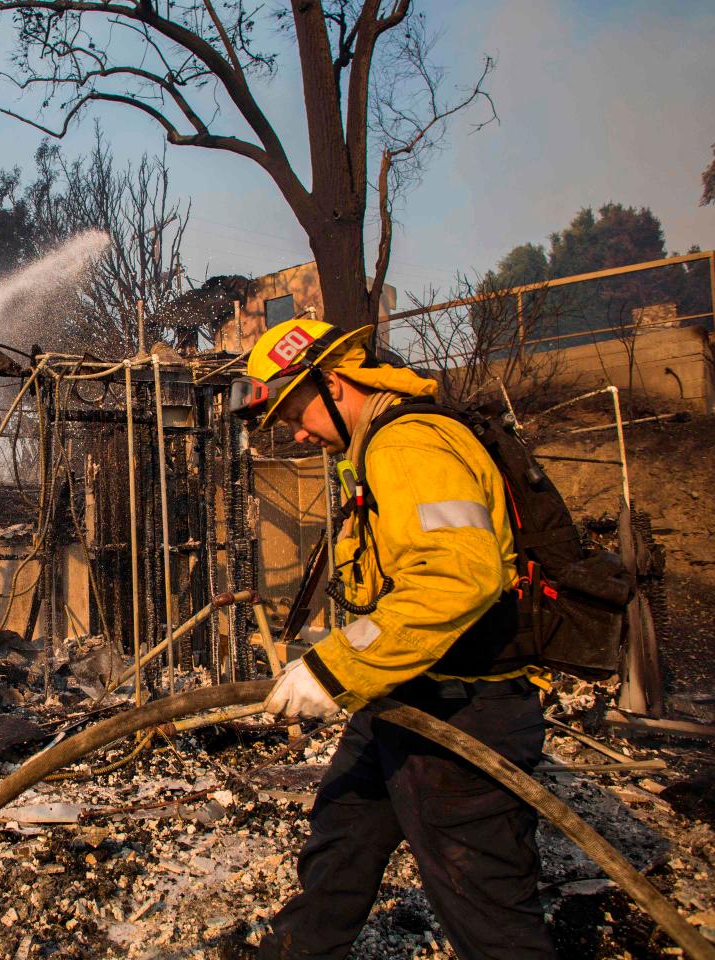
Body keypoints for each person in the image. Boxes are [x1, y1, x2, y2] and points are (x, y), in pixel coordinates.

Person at [225, 319, 556, 959]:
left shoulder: (407, 447)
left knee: (489, 914)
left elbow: (456, 576)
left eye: (296, 410)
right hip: (408, 693)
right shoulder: (381, 446)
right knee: (342, 840)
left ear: (336, 382)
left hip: (465, 715)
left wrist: (334, 670)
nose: (296, 432)